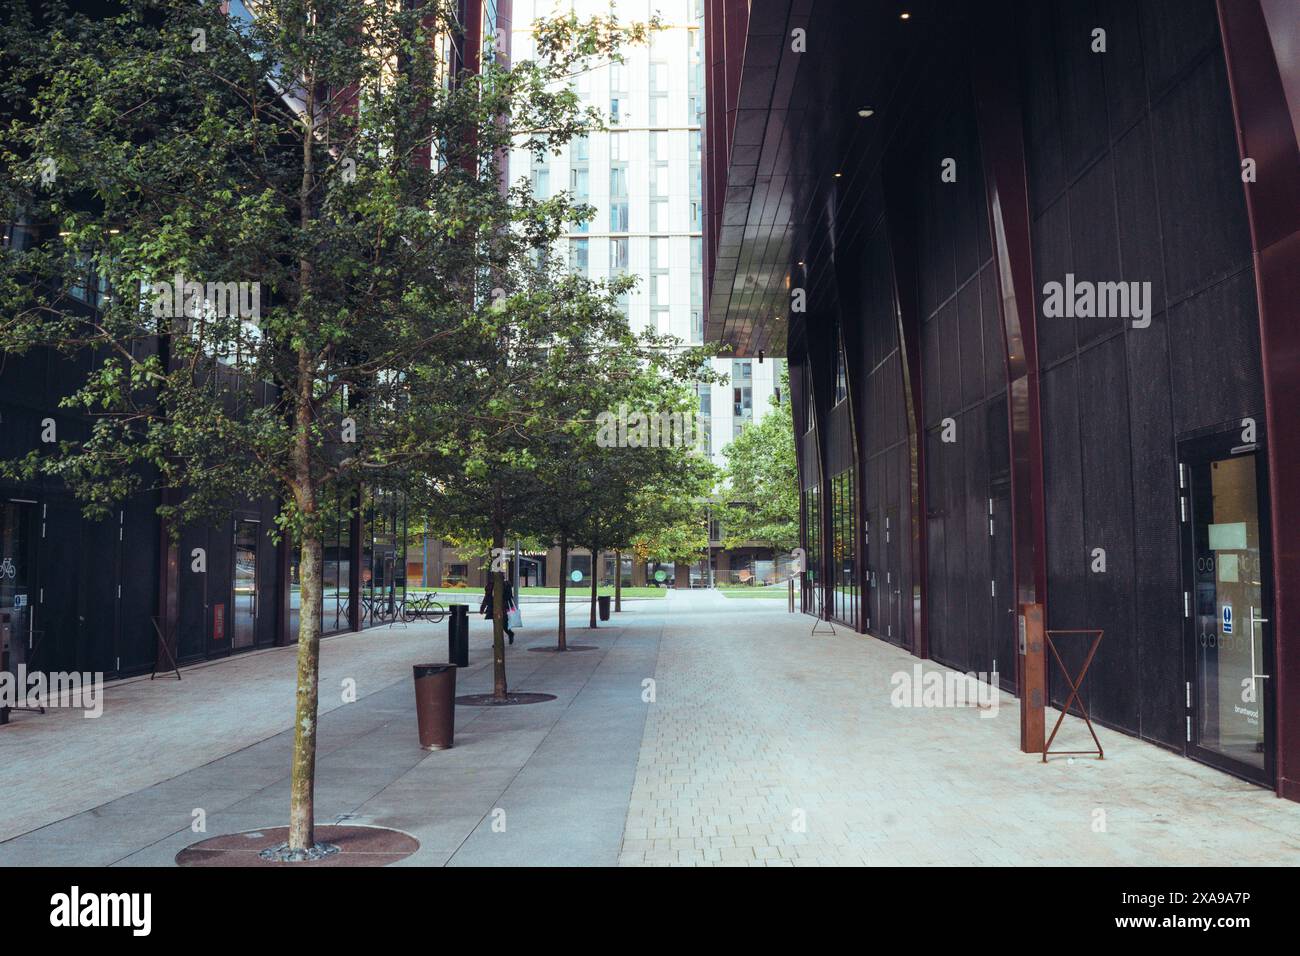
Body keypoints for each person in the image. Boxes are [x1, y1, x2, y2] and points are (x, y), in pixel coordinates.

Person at [480, 575, 516, 644]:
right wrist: (482, 608)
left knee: (504, 625)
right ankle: (497, 642)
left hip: (503, 608)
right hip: (493, 608)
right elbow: (487, 597)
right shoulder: (490, 586)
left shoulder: (505, 585)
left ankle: (510, 634)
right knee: (496, 624)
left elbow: (509, 597)